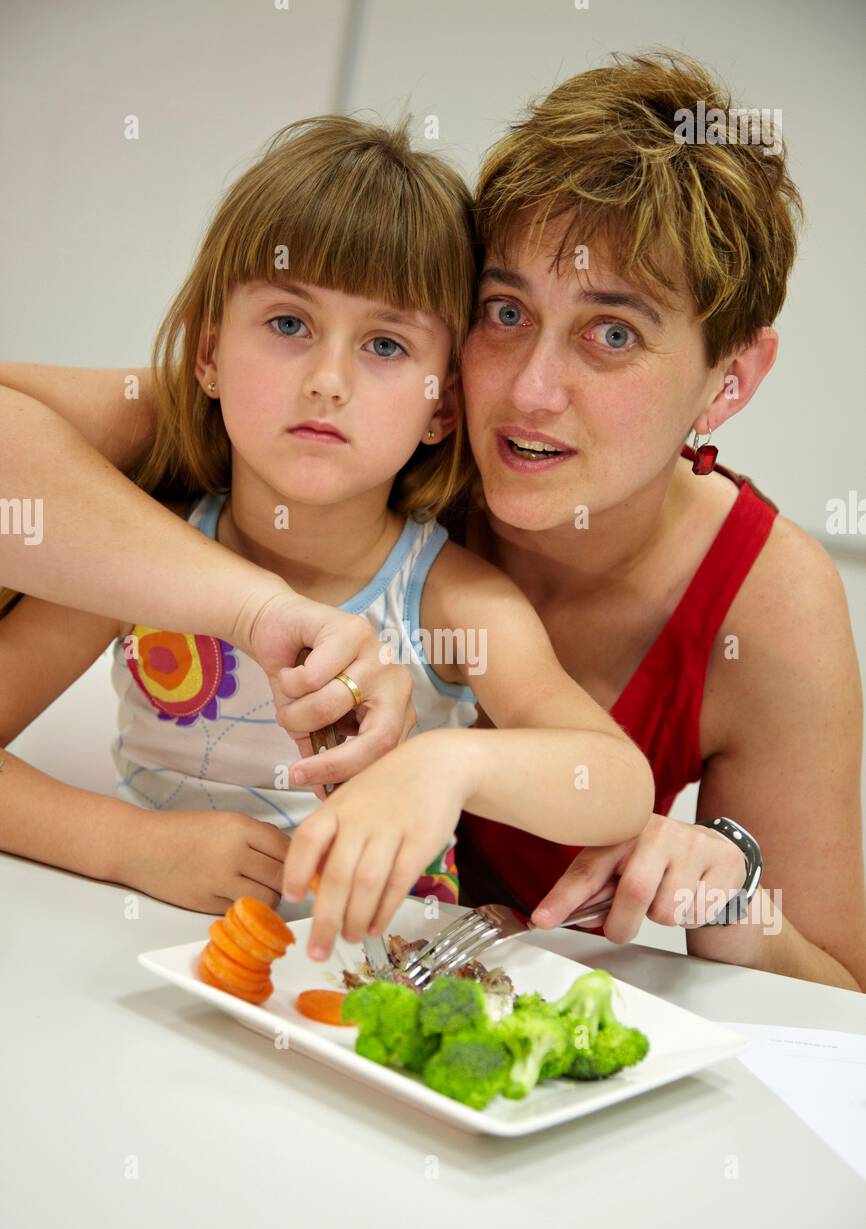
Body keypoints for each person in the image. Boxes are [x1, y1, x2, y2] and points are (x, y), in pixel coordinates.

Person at [2, 52, 863, 988]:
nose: (530, 392)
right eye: (504, 311)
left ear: (729, 379)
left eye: (613, 334)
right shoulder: (331, 444)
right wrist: (246, 619)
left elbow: (837, 995)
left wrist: (724, 896)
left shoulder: (754, 605)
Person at [0, 114, 656, 963]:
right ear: (207, 356)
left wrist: (446, 764)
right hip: (152, 978)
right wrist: (130, 847)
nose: (327, 380)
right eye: (287, 325)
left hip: (368, 1002)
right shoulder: (133, 562)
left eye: (385, 344)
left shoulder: (450, 598)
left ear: (442, 406)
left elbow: (616, 785)